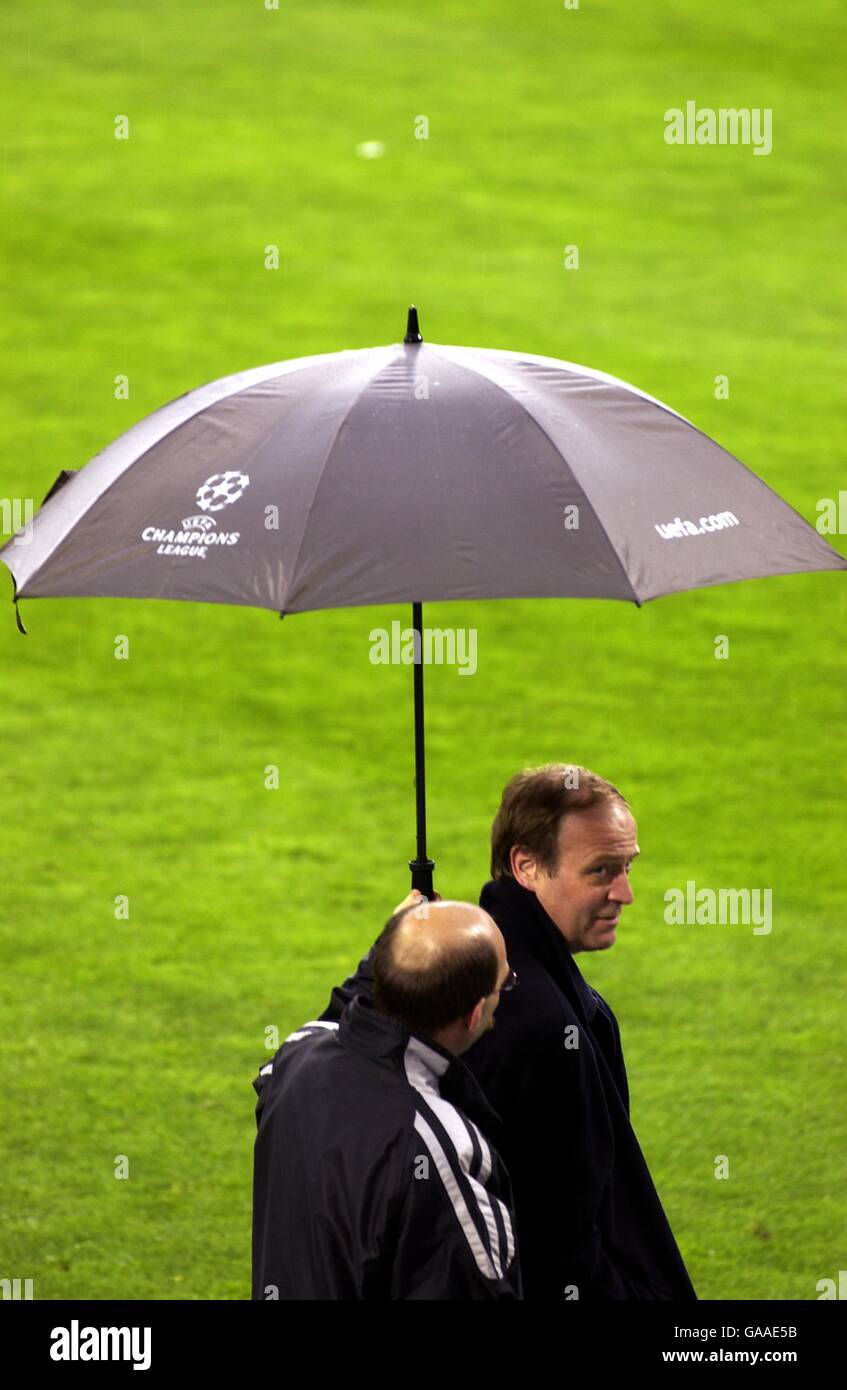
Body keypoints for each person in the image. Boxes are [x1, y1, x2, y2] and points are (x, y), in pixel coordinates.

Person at [319, 764, 697, 1302]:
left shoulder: (457, 981)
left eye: (627, 866)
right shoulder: (542, 1026)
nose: (626, 893)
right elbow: (559, 1257)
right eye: (601, 871)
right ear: (526, 866)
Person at [251, 897, 522, 1300]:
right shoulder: (444, 1149)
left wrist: (390, 948)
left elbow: (337, 1022)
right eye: (507, 982)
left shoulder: (295, 1060)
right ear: (474, 1012)